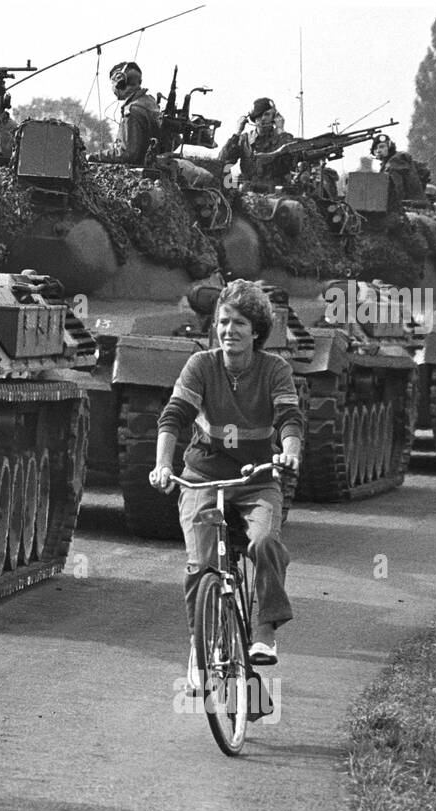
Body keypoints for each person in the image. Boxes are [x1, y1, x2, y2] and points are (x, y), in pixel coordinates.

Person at [150, 280, 304, 683]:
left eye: (238, 323)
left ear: (256, 331)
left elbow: (290, 419)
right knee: (200, 564)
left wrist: (290, 453)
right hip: (203, 477)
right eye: (222, 322)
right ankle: (198, 648)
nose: (228, 330)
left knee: (266, 543)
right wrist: (163, 466)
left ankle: (264, 633)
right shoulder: (201, 365)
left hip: (256, 480)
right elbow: (174, 416)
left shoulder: (275, 370)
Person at [88, 62, 161, 166]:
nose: (113, 87)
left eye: (113, 83)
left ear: (120, 82)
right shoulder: (150, 102)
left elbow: (127, 154)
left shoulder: (133, 110)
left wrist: (93, 157)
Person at [219, 97, 297, 188]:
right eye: (259, 115)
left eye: (267, 114)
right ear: (254, 118)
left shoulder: (284, 138)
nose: (263, 118)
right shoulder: (244, 140)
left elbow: (293, 162)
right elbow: (223, 159)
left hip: (278, 191)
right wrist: (237, 133)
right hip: (249, 191)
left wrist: (281, 130)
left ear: (274, 118)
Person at [371, 133, 428, 202]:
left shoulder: (396, 160)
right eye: (376, 148)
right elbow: (424, 171)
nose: (378, 150)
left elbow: (397, 188)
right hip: (414, 203)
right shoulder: (394, 160)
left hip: (407, 205)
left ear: (389, 147)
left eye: (382, 147)